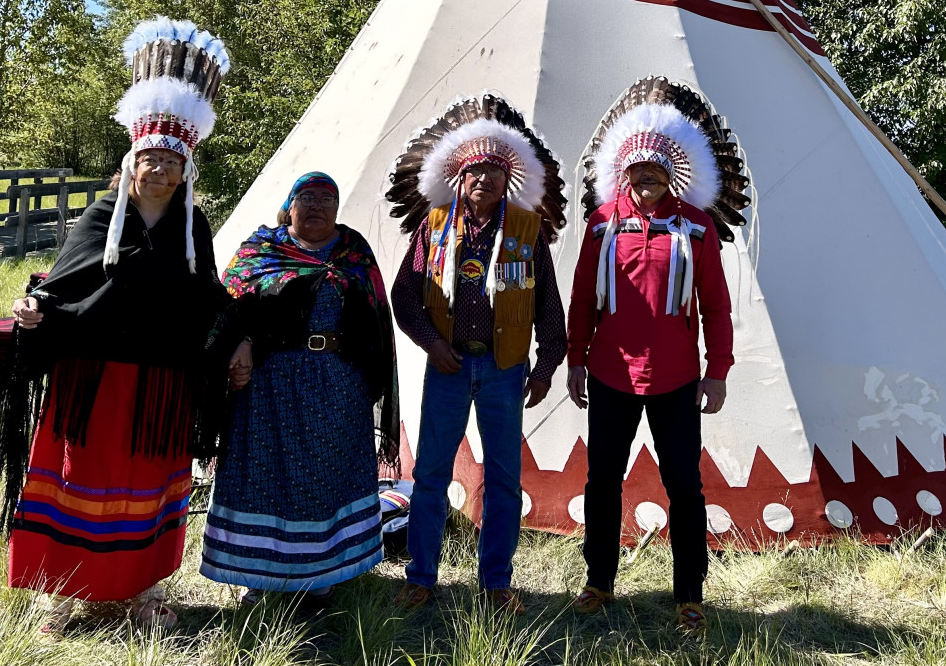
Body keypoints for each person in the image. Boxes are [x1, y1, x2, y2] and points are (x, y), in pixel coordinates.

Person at [0, 18, 232, 636]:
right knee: (81, 475)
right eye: (150, 160)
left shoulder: (192, 228)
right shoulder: (103, 216)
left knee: (149, 484)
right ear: (131, 164)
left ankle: (143, 591)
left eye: (171, 162)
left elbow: (208, 297)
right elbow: (64, 284)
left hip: (161, 384)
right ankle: (61, 593)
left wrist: (240, 338)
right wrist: (35, 309)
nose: (160, 172)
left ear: (186, 170)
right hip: (93, 378)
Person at [566, 79, 750, 636]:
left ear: (671, 173)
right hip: (610, 374)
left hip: (676, 379)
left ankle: (690, 596)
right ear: (624, 173)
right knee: (602, 481)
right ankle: (599, 581)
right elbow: (582, 298)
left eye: (654, 170)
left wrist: (718, 372)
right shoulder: (602, 224)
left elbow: (716, 306)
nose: (644, 178)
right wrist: (575, 360)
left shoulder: (696, 227)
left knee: (684, 487)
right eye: (636, 171)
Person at [386, 98, 567, 614]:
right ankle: (420, 578)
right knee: (431, 474)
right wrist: (432, 343)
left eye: (493, 171)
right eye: (475, 171)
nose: (483, 178)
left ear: (507, 179)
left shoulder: (527, 231)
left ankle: (496, 584)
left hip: (504, 368)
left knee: (504, 478)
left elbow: (547, 304)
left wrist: (545, 367)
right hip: (448, 365)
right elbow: (405, 295)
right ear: (460, 178)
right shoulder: (434, 227)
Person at [199, 171, 399, 605]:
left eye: (326, 199)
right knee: (265, 477)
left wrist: (369, 376)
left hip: (337, 385)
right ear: (289, 206)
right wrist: (242, 342)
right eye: (306, 197)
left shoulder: (353, 252)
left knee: (325, 477)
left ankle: (321, 574)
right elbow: (228, 309)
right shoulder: (261, 251)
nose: (316, 206)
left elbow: (376, 319)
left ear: (337, 209)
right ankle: (259, 577)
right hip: (268, 388)